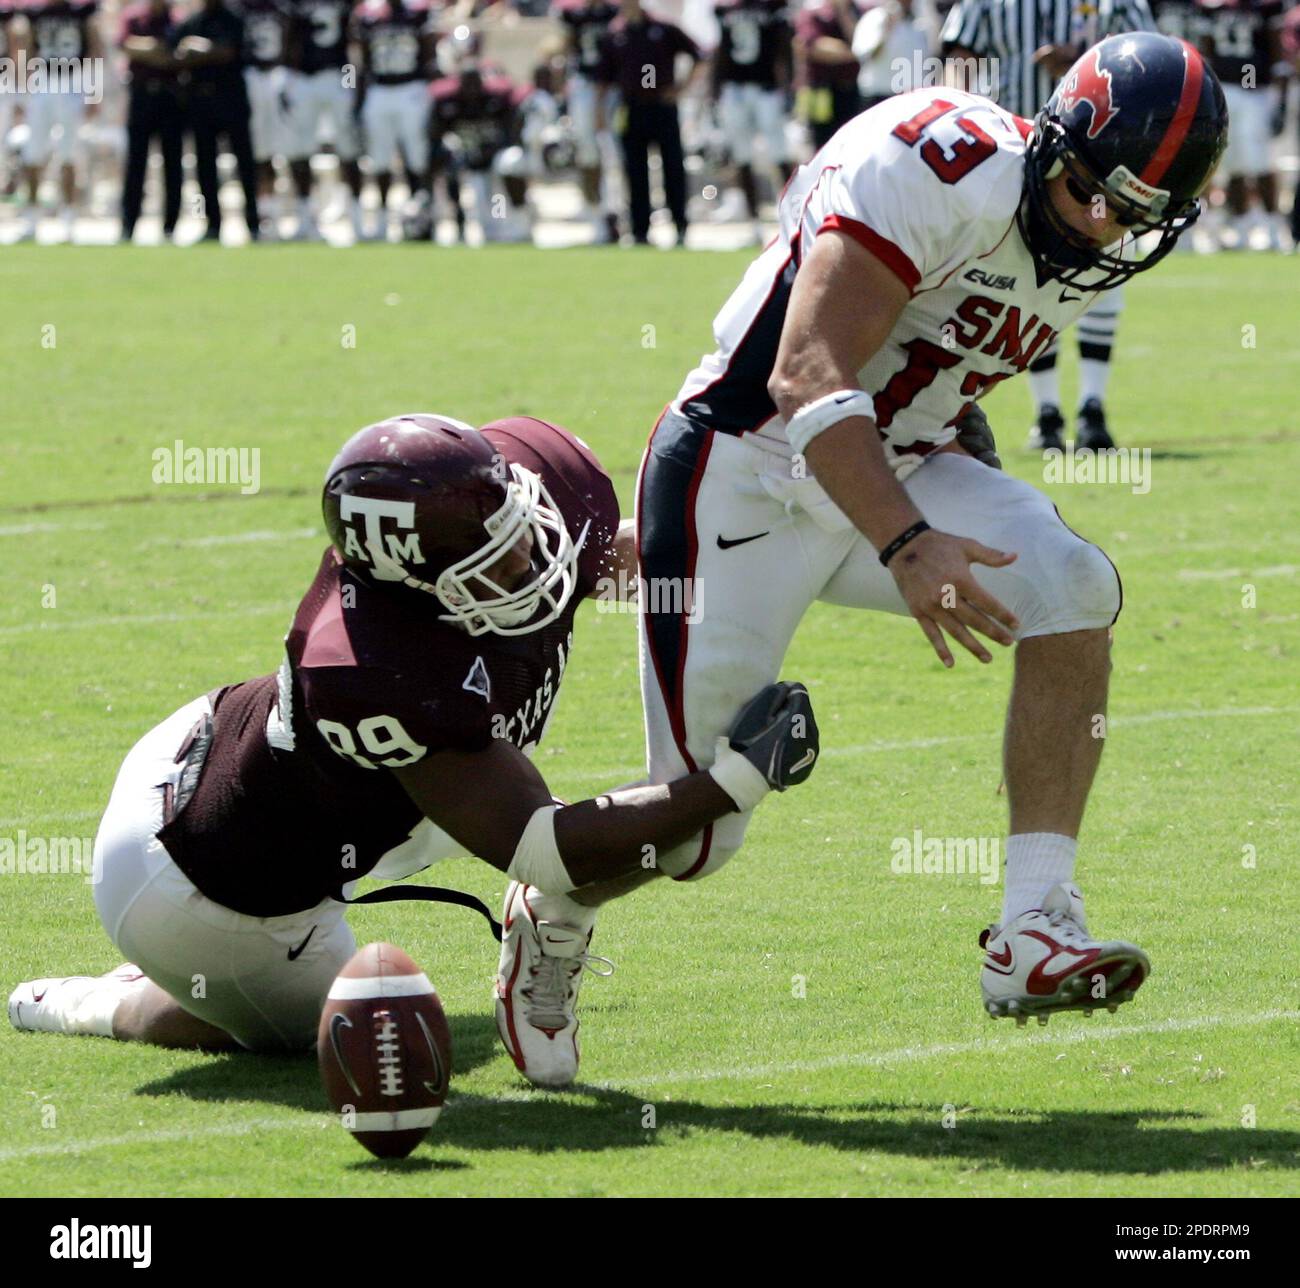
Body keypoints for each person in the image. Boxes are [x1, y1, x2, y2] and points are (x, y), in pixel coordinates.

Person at [509, 36, 1228, 1062]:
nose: (1101, 225)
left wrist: (949, 451)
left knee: (1074, 584)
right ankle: (552, 905)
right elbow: (806, 371)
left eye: (1135, 214)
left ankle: (1032, 926)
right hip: (747, 466)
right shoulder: (937, 165)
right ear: (1053, 138)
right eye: (1087, 191)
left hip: (896, 460)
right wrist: (908, 541)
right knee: (697, 832)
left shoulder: (1087, 228)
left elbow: (941, 356)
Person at [8, 414, 819, 1079]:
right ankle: (94, 1003)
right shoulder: (382, 671)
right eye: (491, 564)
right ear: (416, 588)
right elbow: (542, 849)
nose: (529, 559)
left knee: (553, 814)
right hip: (196, 898)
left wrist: (744, 572)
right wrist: (738, 780)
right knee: (295, 1038)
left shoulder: (529, 480)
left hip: (204, 741)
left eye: (516, 529)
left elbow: (605, 559)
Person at [942, 0, 1156, 452]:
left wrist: (1083, 60)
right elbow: (959, 65)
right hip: (1015, 158)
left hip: (1096, 160)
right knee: (1026, 280)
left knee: (1103, 274)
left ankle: (1092, 407)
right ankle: (1047, 412)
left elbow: (1148, 66)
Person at [595, 0, 703, 247]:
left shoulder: (663, 28)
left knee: (673, 166)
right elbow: (604, 78)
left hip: (662, 104)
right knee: (634, 170)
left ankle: (680, 225)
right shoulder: (616, 34)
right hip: (632, 106)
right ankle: (640, 230)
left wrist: (681, 88)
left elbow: (700, 54)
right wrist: (599, 112)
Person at [1196, 0, 1290, 251]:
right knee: (1232, 162)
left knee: (1261, 162)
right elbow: (1207, 50)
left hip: (1255, 91)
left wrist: (1278, 96)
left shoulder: (1264, 8)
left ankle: (1272, 225)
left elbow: (1275, 49)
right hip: (1226, 88)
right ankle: (1242, 223)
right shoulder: (1212, 8)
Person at [172, 0, 262, 242]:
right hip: (201, 102)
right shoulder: (192, 22)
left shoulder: (234, 19)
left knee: (244, 164)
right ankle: (212, 225)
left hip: (231, 100)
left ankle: (253, 223)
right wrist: (202, 53)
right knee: (205, 167)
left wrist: (201, 50)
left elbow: (228, 52)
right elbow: (177, 55)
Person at [15, 0, 101, 242]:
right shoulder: (36, 14)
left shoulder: (82, 13)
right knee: (32, 154)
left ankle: (68, 221)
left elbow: (94, 50)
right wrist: (24, 89)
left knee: (69, 154)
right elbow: (28, 49)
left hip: (72, 82)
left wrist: (94, 91)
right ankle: (31, 220)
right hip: (43, 83)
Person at [351, 0, 438, 242]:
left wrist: (429, 90)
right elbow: (363, 58)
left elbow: (429, 51)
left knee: (417, 156)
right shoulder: (368, 13)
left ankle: (421, 217)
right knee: (379, 158)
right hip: (379, 88)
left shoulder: (419, 11)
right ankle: (380, 218)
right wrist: (359, 98)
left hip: (411, 86)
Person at [711, 0, 794, 244]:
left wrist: (787, 88)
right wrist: (715, 89)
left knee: (779, 153)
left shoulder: (774, 6)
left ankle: (793, 213)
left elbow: (784, 47)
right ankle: (754, 222)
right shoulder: (725, 9)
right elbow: (721, 50)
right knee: (742, 156)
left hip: (766, 88)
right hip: (735, 89)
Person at [282, 0, 364, 240]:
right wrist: (289, 80)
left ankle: (356, 220)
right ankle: (306, 218)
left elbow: (354, 40)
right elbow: (291, 39)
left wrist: (351, 83)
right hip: (306, 78)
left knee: (349, 149)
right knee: (300, 150)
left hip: (338, 76)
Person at [554, 0, 621, 243]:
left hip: (615, 87)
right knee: (588, 151)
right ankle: (598, 210)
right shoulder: (574, 14)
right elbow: (565, 46)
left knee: (615, 153)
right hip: (584, 84)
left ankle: (619, 211)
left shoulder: (615, 12)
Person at [119, 0, 185, 242]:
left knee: (173, 164)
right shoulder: (134, 17)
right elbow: (127, 45)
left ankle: (170, 227)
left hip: (171, 97)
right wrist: (156, 50)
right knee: (136, 163)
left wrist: (148, 50)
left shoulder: (178, 19)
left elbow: (175, 55)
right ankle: (128, 225)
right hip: (142, 95)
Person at [235, 0, 294, 239]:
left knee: (284, 152)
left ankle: (281, 213)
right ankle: (262, 213)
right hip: (251, 77)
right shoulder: (239, 8)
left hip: (280, 76)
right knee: (257, 153)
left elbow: (293, 40)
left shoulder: (283, 8)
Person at [794, 0, 862, 152]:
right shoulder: (814, 12)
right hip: (821, 90)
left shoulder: (858, 11)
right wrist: (852, 53)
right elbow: (813, 46)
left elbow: (861, 42)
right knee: (821, 143)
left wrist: (844, 14)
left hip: (851, 89)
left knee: (852, 144)